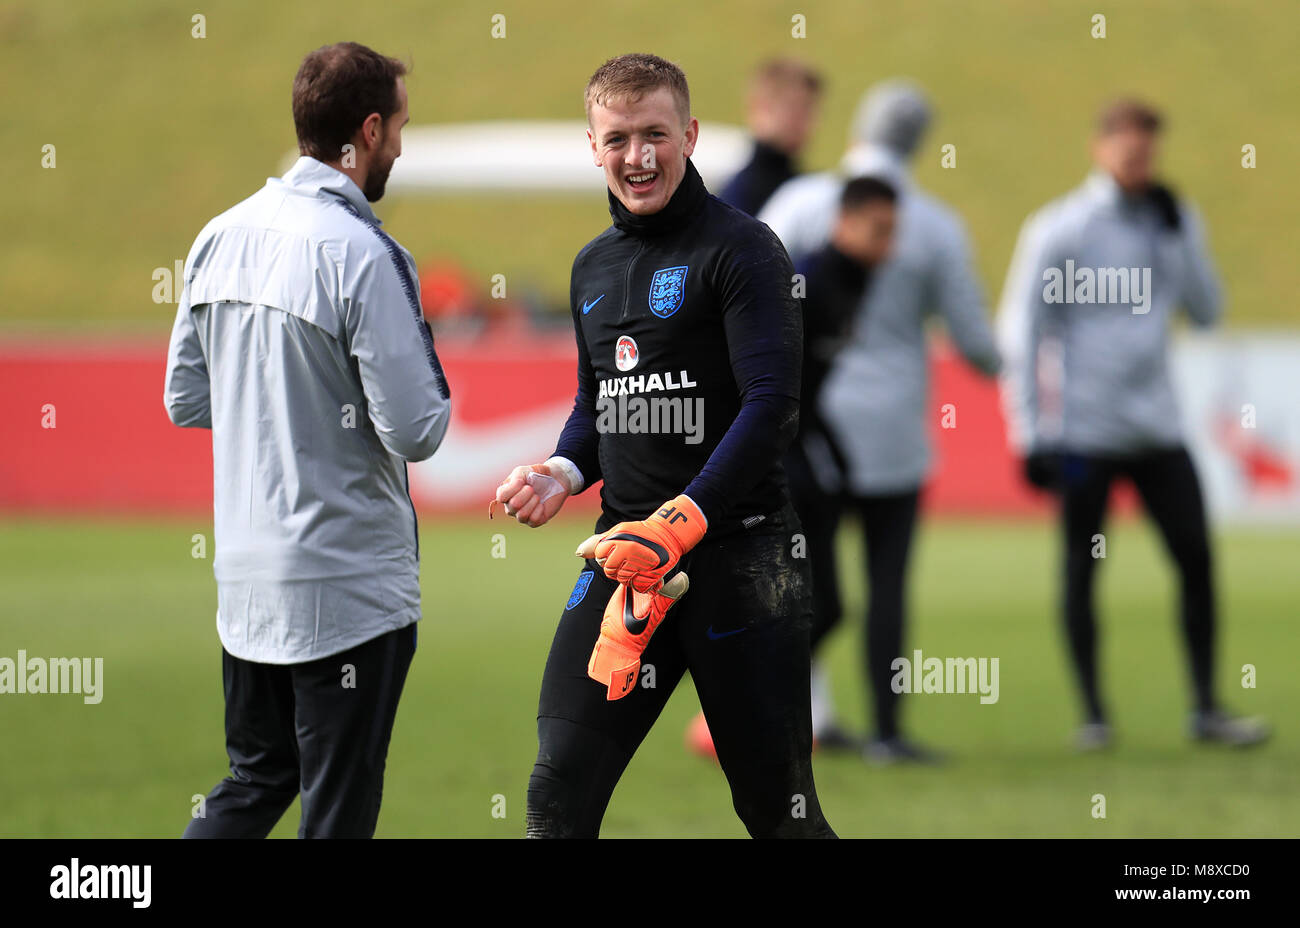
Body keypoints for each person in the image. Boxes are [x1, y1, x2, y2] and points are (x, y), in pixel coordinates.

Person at [494, 53, 835, 838]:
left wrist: (683, 519)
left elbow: (773, 406)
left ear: (690, 134)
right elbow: (600, 404)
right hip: (625, 563)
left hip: (743, 561)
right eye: (618, 138)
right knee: (557, 794)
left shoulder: (745, 250)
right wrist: (562, 469)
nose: (638, 156)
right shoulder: (592, 266)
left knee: (780, 816)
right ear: (593, 145)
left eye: (655, 134)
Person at [165, 42, 452, 837]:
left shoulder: (219, 234)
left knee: (253, 781)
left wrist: (280, 405)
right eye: (397, 127)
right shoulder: (363, 252)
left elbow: (186, 400)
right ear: (366, 131)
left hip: (247, 578)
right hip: (346, 584)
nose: (400, 144)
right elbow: (418, 427)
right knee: (338, 810)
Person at [996, 98, 1268, 751]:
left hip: (1157, 427)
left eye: (1148, 152)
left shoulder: (1170, 221)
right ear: (1100, 147)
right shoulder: (1061, 228)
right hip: (1086, 430)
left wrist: (1181, 238)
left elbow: (1206, 312)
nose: (1139, 163)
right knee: (1082, 570)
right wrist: (1029, 431)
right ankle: (1093, 715)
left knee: (1196, 560)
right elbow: (1022, 331)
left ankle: (1206, 707)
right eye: (1129, 150)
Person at [758, 80, 1001, 764]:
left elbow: (745, 299)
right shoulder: (937, 223)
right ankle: (887, 731)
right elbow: (979, 345)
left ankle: (805, 715)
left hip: (806, 432)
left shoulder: (801, 200)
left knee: (811, 586)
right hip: (889, 430)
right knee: (884, 583)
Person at [718, 58, 823, 217]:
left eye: (810, 110)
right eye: (795, 108)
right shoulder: (738, 194)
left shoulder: (809, 187)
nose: (807, 122)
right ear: (760, 107)